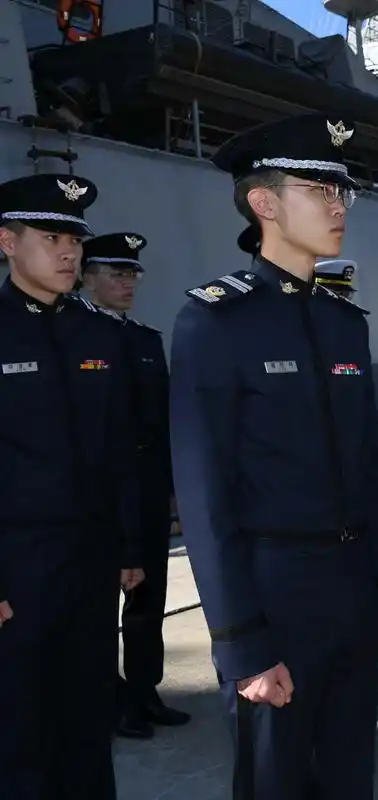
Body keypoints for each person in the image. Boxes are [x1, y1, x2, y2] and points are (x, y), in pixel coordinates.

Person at [169, 113, 378, 799]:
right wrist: (241, 642)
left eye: (343, 192)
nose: (339, 207)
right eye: (318, 190)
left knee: (349, 777)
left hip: (351, 593)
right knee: (274, 781)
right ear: (264, 203)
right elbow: (205, 496)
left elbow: (367, 470)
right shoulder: (214, 321)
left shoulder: (343, 324)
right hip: (272, 596)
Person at [0, 173, 145, 799]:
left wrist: (129, 546)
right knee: (19, 730)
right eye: (52, 238)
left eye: (75, 241)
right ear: (7, 242)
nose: (68, 254)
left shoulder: (99, 335)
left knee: (89, 722)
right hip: (17, 571)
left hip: (90, 564)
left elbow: (118, 451)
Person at [79, 231, 192, 739]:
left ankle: (145, 691)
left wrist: (172, 485)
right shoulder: (75, 334)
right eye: (116, 274)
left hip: (145, 485)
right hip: (98, 488)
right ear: (88, 278)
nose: (127, 283)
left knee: (149, 596)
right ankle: (108, 699)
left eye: (132, 275)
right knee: (100, 603)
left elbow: (163, 419)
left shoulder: (146, 340)